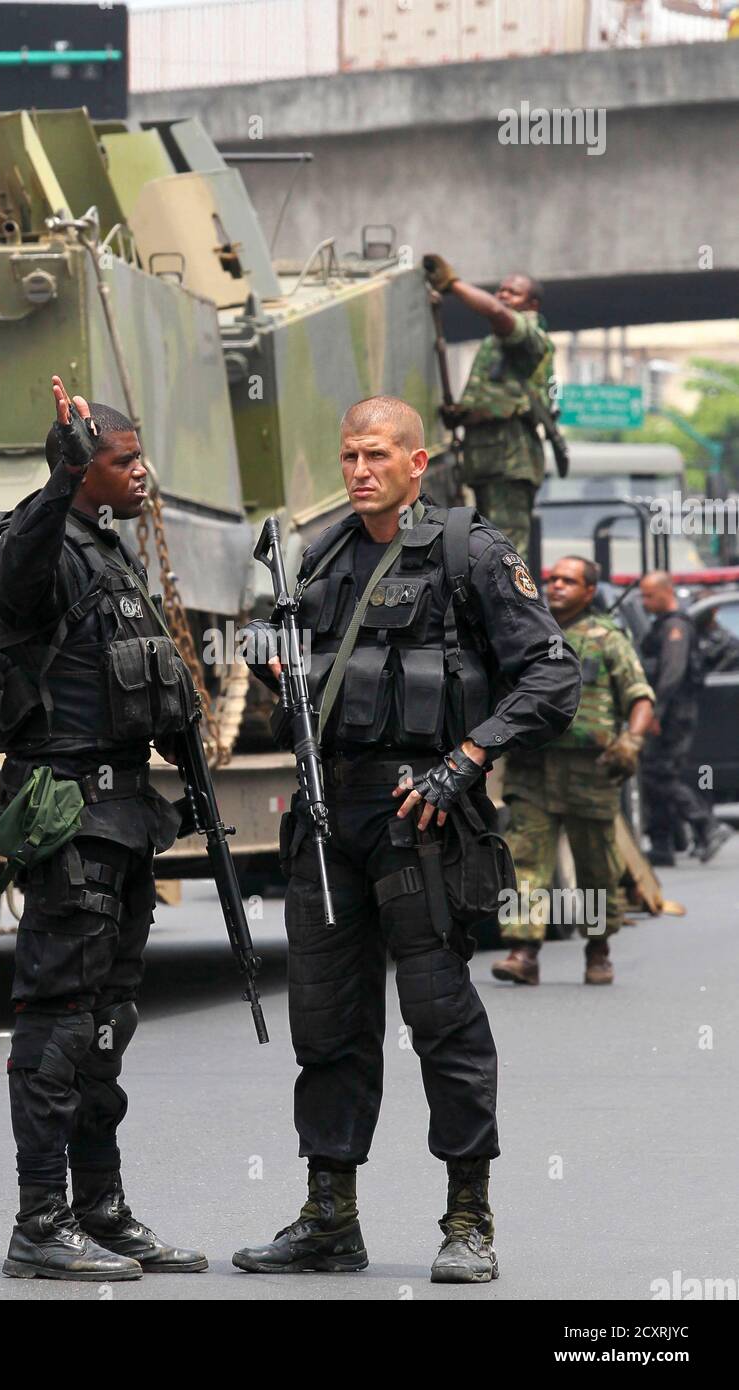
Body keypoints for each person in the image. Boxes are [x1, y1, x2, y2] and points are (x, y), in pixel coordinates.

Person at [232, 395, 581, 1283]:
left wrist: (463, 761)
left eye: (377, 454)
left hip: (421, 821)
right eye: (348, 455)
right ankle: (328, 1217)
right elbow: (310, 698)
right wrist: (275, 670)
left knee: (440, 1019)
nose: (359, 470)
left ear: (416, 463)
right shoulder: (321, 558)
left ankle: (468, 1218)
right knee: (327, 1024)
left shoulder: (469, 551)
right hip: (328, 820)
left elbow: (550, 676)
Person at [0, 376, 207, 1281]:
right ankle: (40, 1221)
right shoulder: (37, 550)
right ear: (80, 471)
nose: (141, 472)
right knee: (60, 1022)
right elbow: (15, 583)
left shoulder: (108, 552)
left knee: (108, 1024)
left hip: (121, 821)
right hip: (68, 817)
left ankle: (100, 1208)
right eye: (122, 461)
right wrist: (58, 477)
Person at [491, 556, 654, 987]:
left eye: (569, 580)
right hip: (532, 769)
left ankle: (598, 949)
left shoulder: (606, 638)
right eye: (552, 579)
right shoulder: (525, 632)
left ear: (588, 591)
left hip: (590, 774)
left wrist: (631, 741)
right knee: (523, 861)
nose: (557, 585)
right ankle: (522, 951)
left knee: (596, 868)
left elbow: (640, 697)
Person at [423, 255, 556, 557]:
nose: (503, 296)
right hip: (487, 460)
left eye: (514, 292)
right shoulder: (493, 344)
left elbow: (496, 312)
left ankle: (510, 605)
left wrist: (452, 284)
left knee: (505, 553)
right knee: (483, 548)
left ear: (531, 305)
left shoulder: (530, 338)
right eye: (501, 290)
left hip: (510, 462)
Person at [639, 572, 732, 866]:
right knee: (658, 774)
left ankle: (706, 824)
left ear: (666, 593)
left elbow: (672, 673)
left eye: (649, 596)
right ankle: (664, 843)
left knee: (660, 774)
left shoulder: (676, 626)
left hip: (672, 715)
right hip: (672, 712)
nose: (644, 602)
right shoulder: (667, 625)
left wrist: (656, 711)